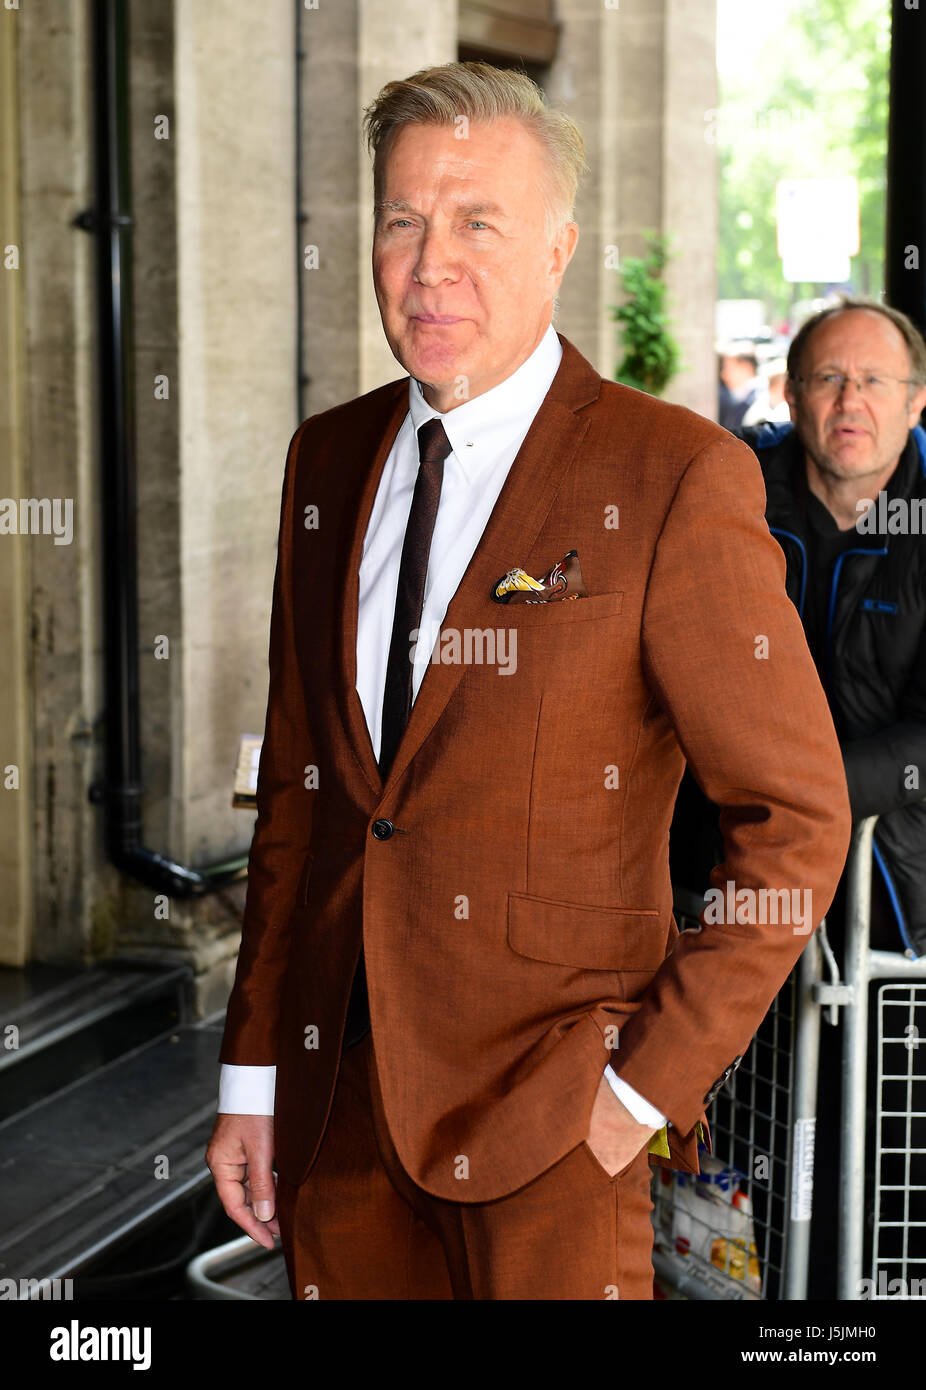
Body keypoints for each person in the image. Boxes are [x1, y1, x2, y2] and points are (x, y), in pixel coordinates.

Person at [205, 61, 851, 1301]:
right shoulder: (324, 461)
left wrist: (637, 1092)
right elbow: (300, 796)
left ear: (557, 248)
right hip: (337, 1116)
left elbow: (795, 824)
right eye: (403, 219)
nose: (430, 261)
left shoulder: (669, 476)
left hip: (553, 1135)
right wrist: (250, 1080)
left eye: (476, 222)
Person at [718, 341, 760, 434]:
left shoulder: (761, 400)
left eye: (727, 367)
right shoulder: (734, 397)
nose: (723, 374)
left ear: (745, 367)